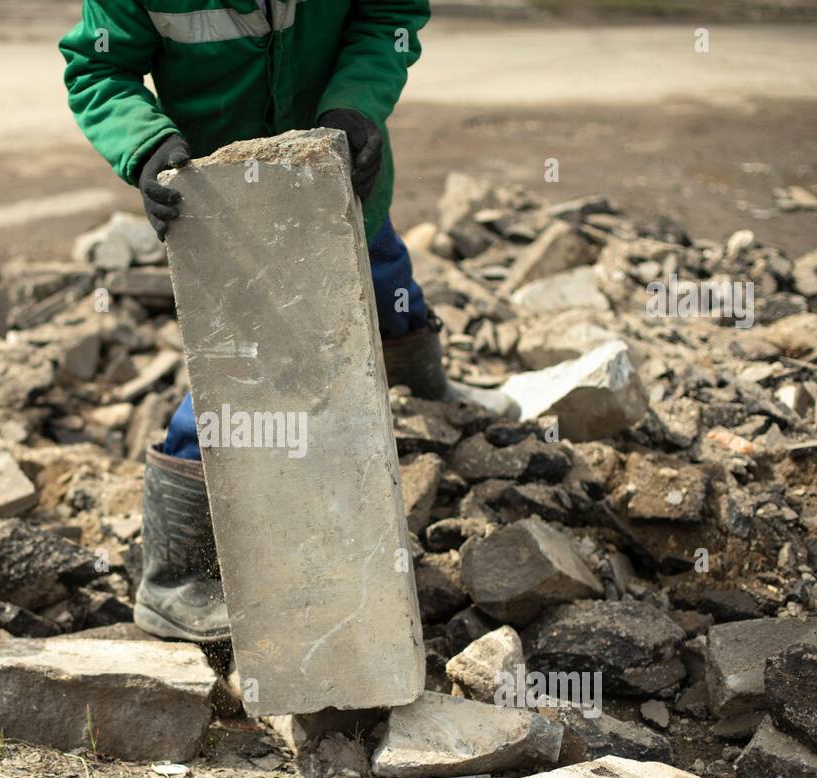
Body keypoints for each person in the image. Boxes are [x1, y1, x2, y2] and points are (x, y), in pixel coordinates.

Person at [60, 1, 507, 642]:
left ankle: (433, 408)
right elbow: (98, 68)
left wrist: (355, 105)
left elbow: (391, 13)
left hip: (344, 179)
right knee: (236, 361)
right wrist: (144, 143)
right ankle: (174, 577)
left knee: (382, 277)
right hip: (230, 212)